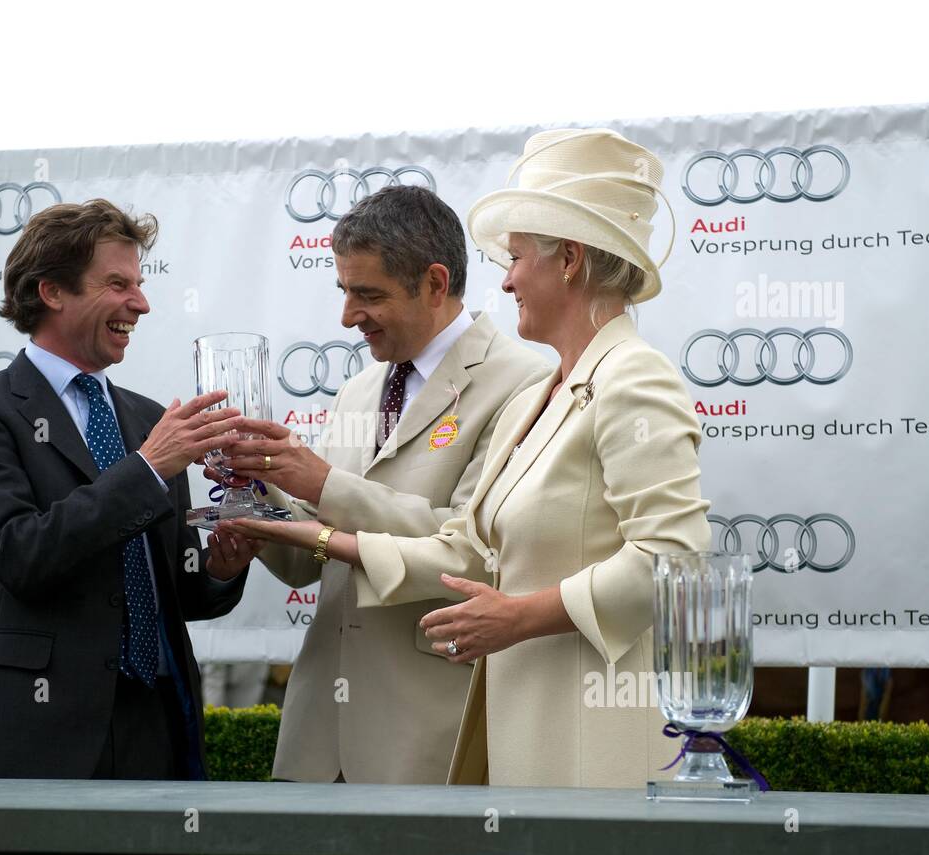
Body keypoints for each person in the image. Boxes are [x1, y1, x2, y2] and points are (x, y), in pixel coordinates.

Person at [226, 129, 711, 788]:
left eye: (516, 258)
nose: (504, 280)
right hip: (514, 744)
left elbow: (673, 560)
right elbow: (468, 549)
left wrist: (520, 616)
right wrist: (276, 507)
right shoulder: (549, 391)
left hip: (582, 747)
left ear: (569, 260)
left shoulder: (630, 376)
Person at [214, 185, 549, 784]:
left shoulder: (526, 384)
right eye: (344, 291)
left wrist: (322, 483)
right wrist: (256, 496)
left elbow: (475, 548)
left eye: (368, 294)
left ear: (435, 283)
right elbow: (311, 563)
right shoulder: (359, 388)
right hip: (318, 737)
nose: (348, 316)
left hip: (423, 737)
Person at [0, 199, 261, 781]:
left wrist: (221, 566)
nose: (141, 303)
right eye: (118, 284)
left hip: (156, 723)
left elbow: (183, 596)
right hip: (32, 730)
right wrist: (148, 468)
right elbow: (19, 555)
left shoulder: (150, 420)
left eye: (140, 284)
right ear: (52, 291)